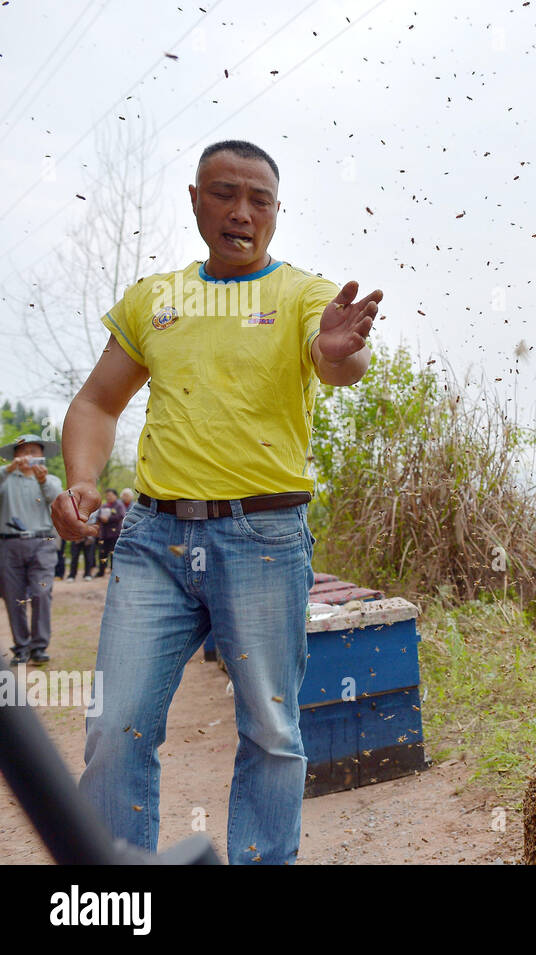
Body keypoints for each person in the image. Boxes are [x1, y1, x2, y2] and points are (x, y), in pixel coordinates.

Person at [53, 139, 382, 865]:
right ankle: (119, 887)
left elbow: (341, 362)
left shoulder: (300, 294)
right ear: (196, 201)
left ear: (275, 212)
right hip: (152, 543)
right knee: (116, 727)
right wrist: (81, 477)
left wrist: (337, 348)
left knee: (271, 732)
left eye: (259, 199)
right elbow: (96, 402)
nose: (241, 211)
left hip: (264, 539)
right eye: (224, 193)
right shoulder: (155, 298)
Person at [0, 434, 63, 665]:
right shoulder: (5, 479)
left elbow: (57, 501)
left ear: (41, 456)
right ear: (15, 455)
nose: (28, 456)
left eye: (33, 452)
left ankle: (39, 646)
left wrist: (43, 481)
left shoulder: (51, 480)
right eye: (22, 451)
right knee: (13, 596)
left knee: (41, 592)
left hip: (42, 543)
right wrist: (7, 470)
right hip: (8, 543)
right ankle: (22, 646)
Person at [94, 488, 125, 577]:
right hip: (104, 534)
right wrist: (101, 519)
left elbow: (121, 515)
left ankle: (113, 571)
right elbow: (98, 516)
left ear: (115, 496)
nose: (108, 497)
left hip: (114, 534)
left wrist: (109, 519)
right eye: (107, 495)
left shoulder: (119, 505)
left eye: (110, 495)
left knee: (113, 553)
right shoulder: (104, 506)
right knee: (102, 553)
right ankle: (101, 571)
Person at [67, 514, 98, 581]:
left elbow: (94, 523)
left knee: (88, 556)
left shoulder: (93, 510)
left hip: (89, 537)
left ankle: (87, 574)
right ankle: (72, 575)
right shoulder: (74, 509)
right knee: (74, 556)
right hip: (76, 536)